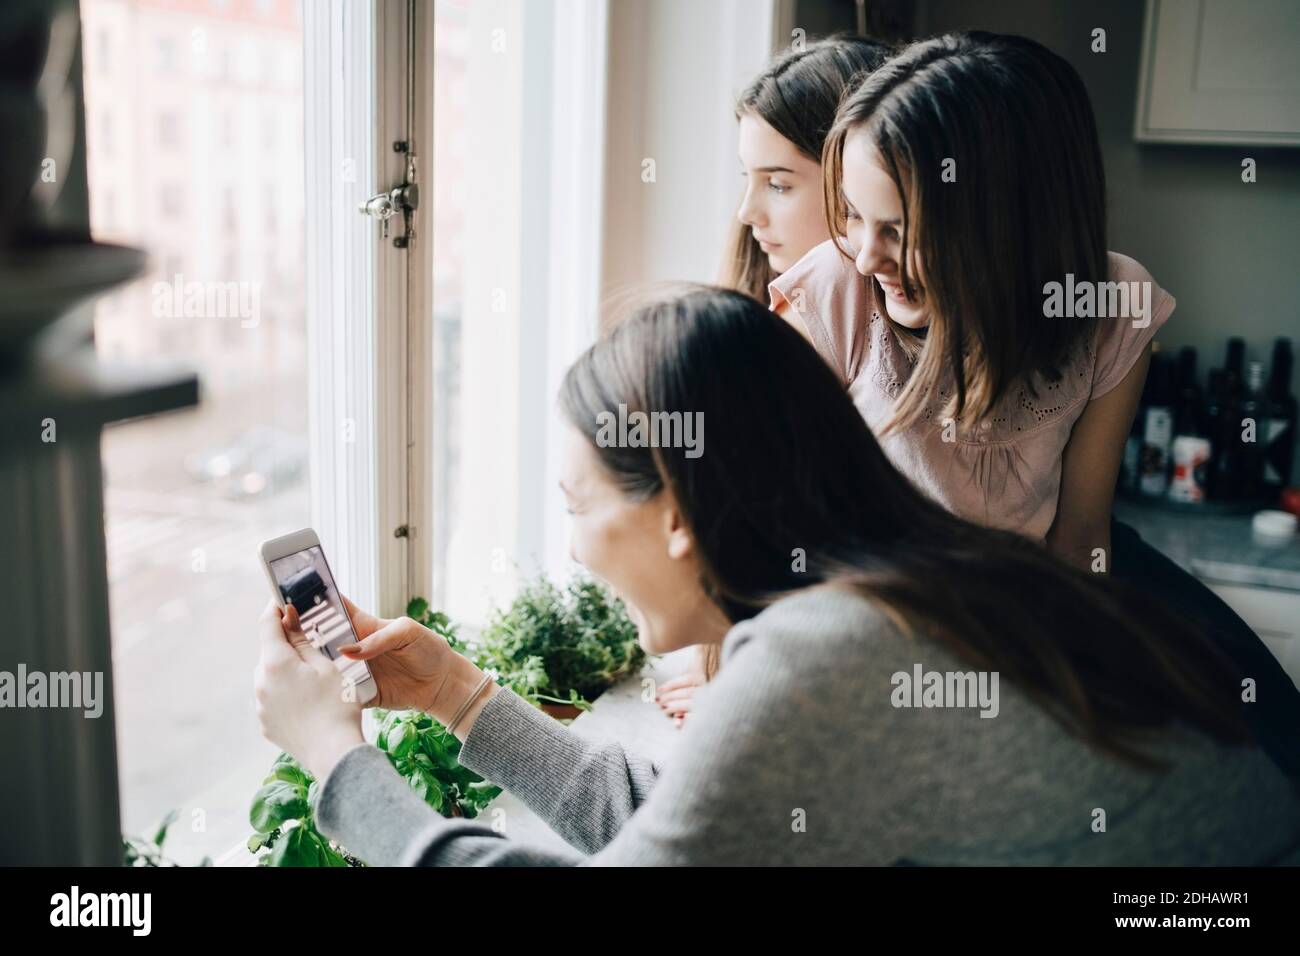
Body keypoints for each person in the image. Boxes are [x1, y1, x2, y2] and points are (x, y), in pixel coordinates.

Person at [254, 286, 1300, 865]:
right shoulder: (895, 586)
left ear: (671, 507)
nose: (572, 549)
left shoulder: (829, 650)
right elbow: (700, 826)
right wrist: (457, 694)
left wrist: (337, 763)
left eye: (579, 506)